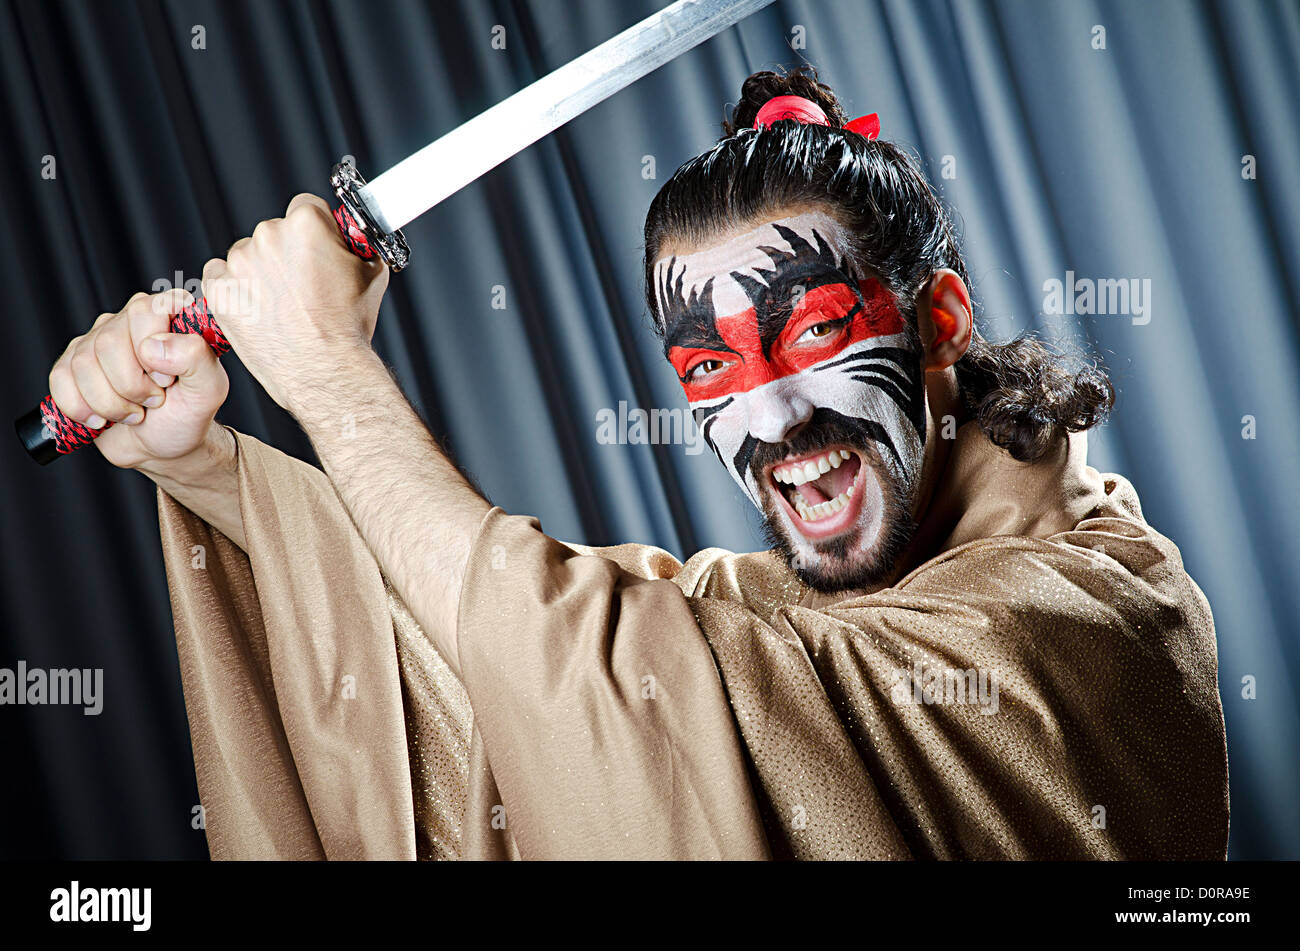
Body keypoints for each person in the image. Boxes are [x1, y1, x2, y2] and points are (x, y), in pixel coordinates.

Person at [45, 67, 1228, 859]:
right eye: (709, 368)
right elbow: (491, 686)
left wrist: (325, 373)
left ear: (941, 321)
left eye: (813, 333)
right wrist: (207, 469)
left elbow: (611, 684)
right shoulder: (784, 610)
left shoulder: (1082, 621)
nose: (771, 422)